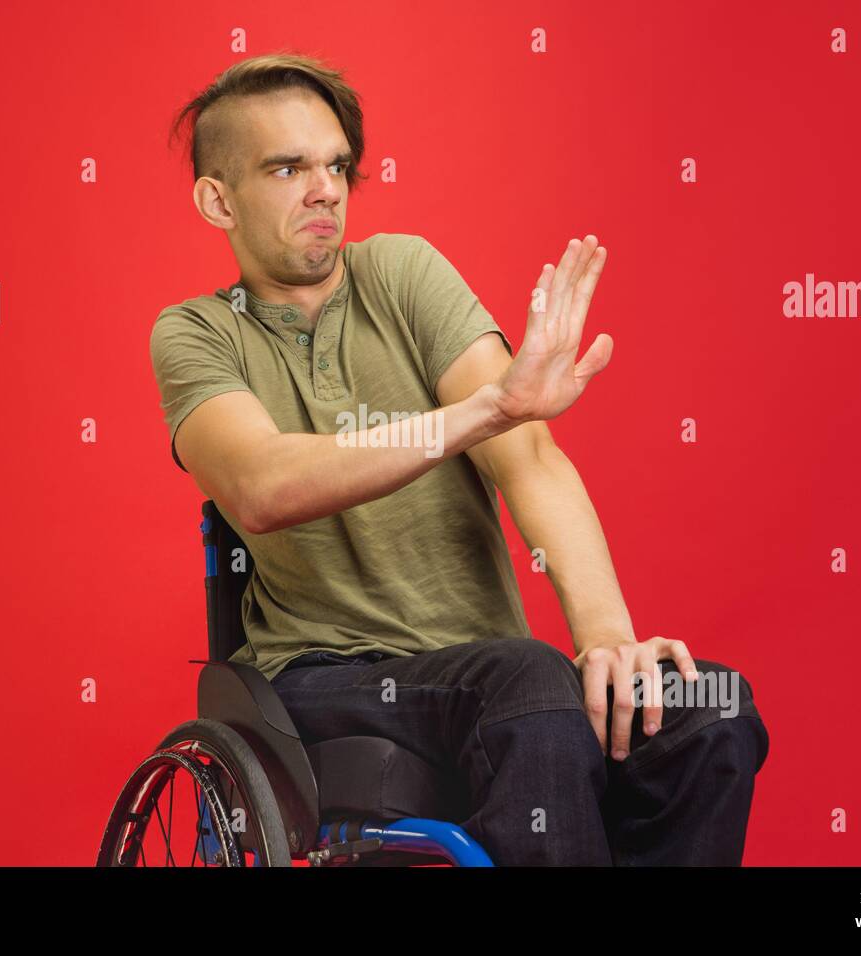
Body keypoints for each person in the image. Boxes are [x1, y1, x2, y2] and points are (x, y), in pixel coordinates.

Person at [149, 52, 769, 865]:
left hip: (499, 676)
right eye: (288, 167)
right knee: (526, 682)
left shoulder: (405, 274)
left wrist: (610, 642)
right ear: (217, 199)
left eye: (337, 165)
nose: (326, 188)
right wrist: (484, 410)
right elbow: (262, 486)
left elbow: (531, 460)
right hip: (320, 679)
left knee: (710, 710)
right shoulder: (194, 334)